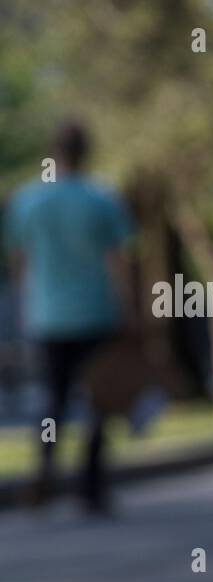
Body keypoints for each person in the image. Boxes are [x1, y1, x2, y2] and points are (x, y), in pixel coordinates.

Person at [4, 121, 134, 514]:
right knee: (99, 401)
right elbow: (119, 261)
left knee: (52, 400)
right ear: (86, 152)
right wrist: (129, 309)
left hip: (47, 315)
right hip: (96, 313)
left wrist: (25, 305)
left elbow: (19, 261)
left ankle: (45, 472)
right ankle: (90, 487)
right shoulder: (101, 199)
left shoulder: (27, 201)